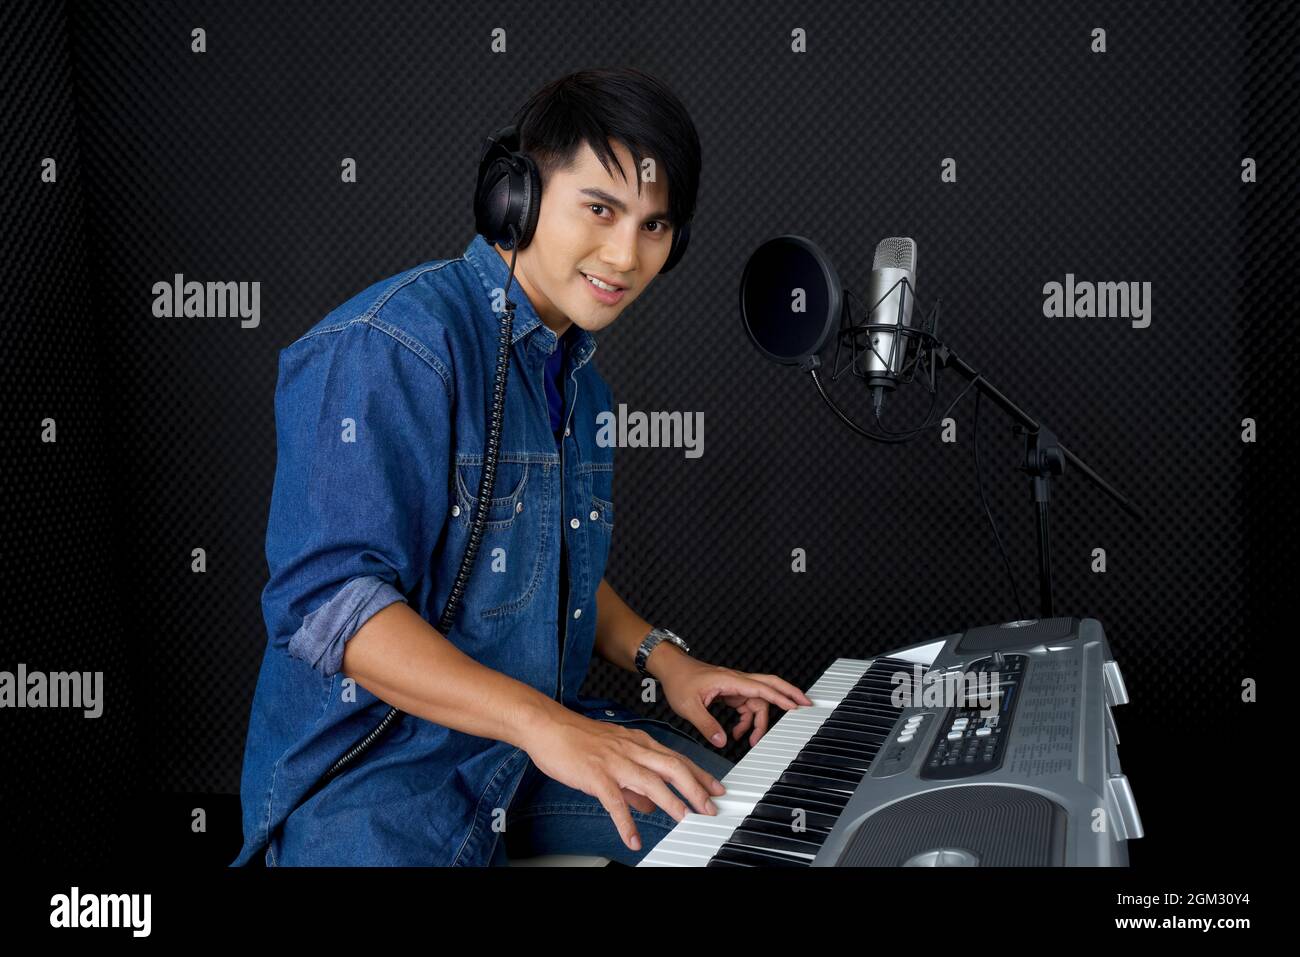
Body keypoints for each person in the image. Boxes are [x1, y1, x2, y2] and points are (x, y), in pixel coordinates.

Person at [232, 66, 811, 868]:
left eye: (655, 226)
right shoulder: (389, 344)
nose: (626, 254)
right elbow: (333, 606)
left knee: (768, 841)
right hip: (377, 781)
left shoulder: (584, 383)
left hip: (529, 754)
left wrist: (671, 663)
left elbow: (553, 558)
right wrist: (547, 724)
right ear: (518, 195)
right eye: (601, 209)